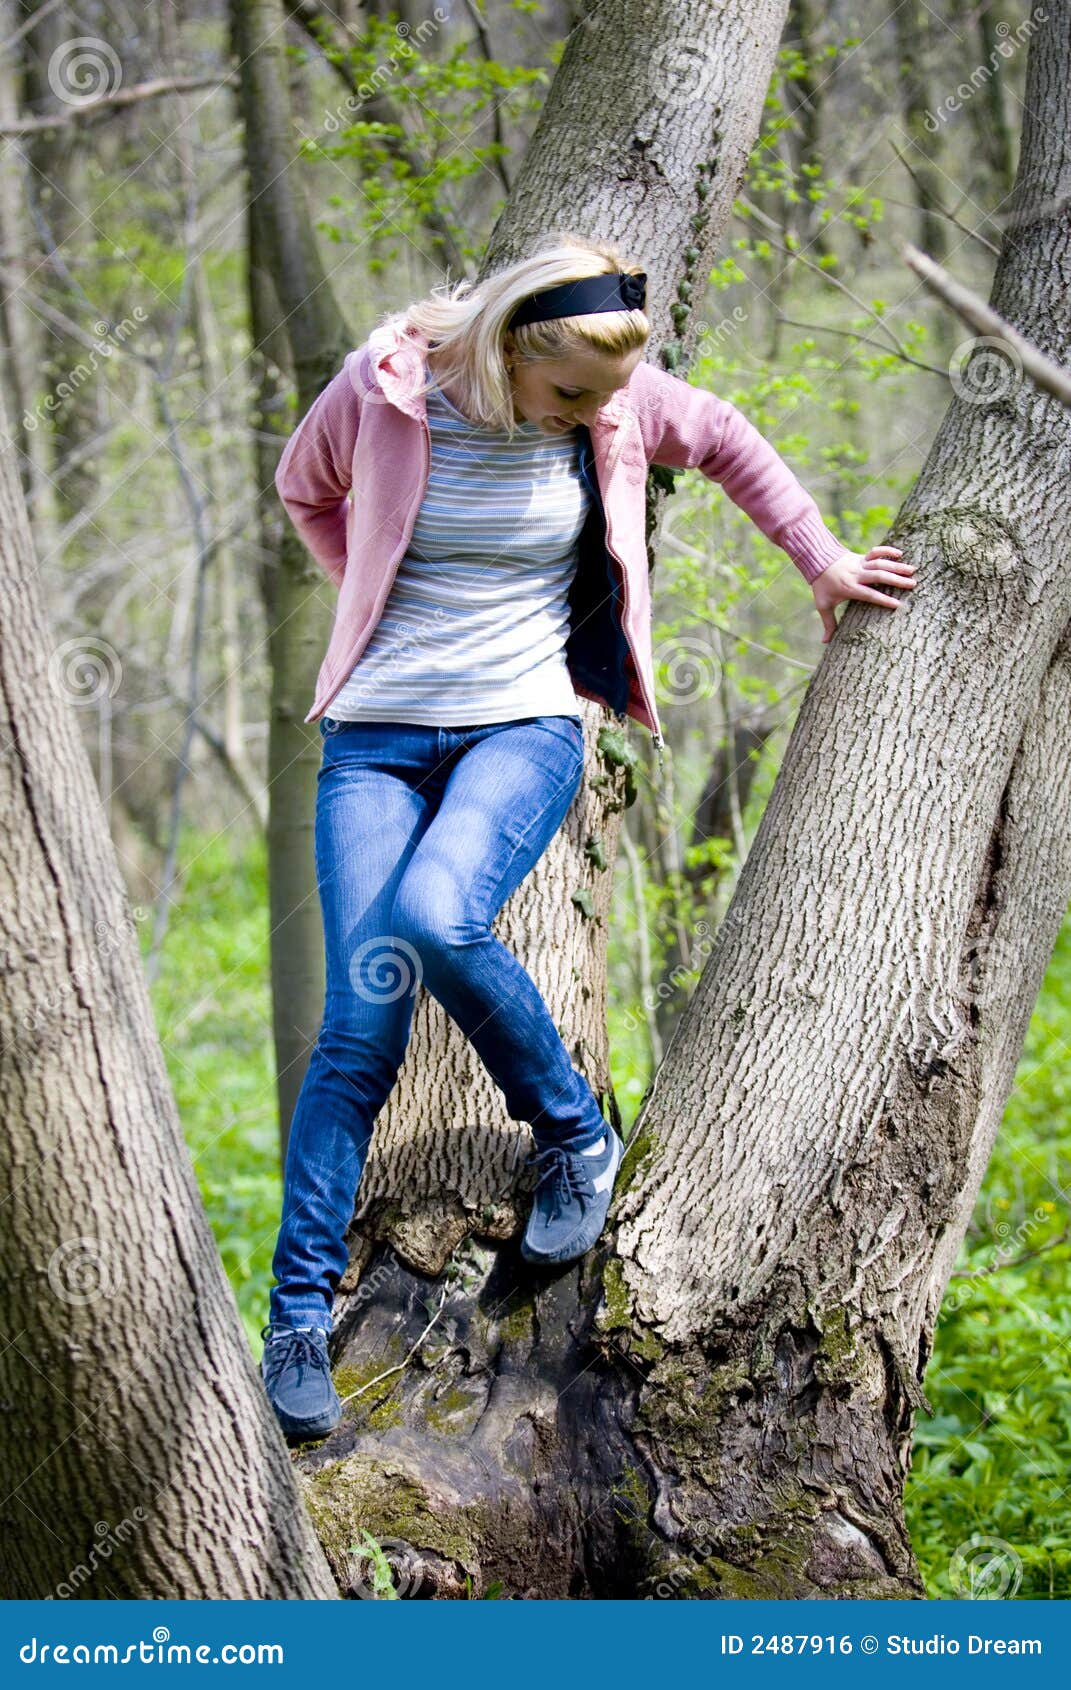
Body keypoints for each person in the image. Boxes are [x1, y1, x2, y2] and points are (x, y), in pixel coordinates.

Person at [258, 233, 915, 1440]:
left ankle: (571, 1133)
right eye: (573, 392)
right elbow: (307, 486)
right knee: (357, 1027)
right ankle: (296, 1322)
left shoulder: (610, 397)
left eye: (612, 394)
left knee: (435, 917)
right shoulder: (384, 387)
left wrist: (822, 560)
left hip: (524, 723)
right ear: (512, 346)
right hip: (374, 737)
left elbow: (721, 437)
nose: (601, 414)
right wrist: (372, 590)